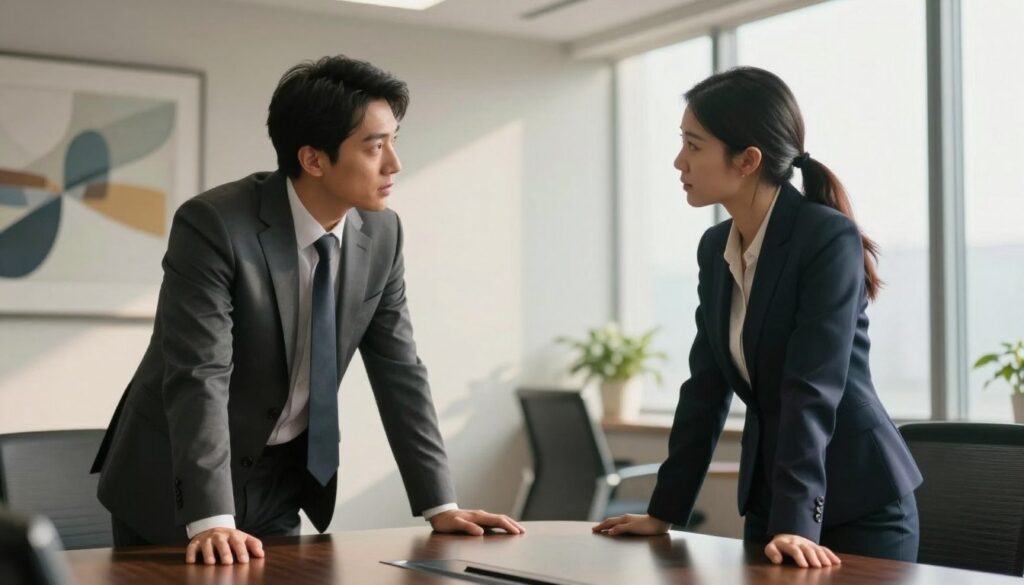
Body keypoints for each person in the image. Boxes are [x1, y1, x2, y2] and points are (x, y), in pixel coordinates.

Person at [91, 55, 524, 565]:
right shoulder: (213, 225)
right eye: (374, 146)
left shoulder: (382, 235)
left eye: (394, 140)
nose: (394, 164)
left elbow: (399, 371)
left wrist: (440, 505)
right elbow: (199, 373)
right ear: (314, 159)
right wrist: (211, 519)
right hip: (175, 485)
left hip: (280, 481)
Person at [593, 67, 922, 567]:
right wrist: (663, 511)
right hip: (774, 503)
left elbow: (811, 389)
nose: (679, 160)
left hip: (859, 504)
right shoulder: (714, 249)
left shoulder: (826, 238)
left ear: (747, 160)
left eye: (694, 145)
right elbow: (705, 387)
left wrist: (794, 523)